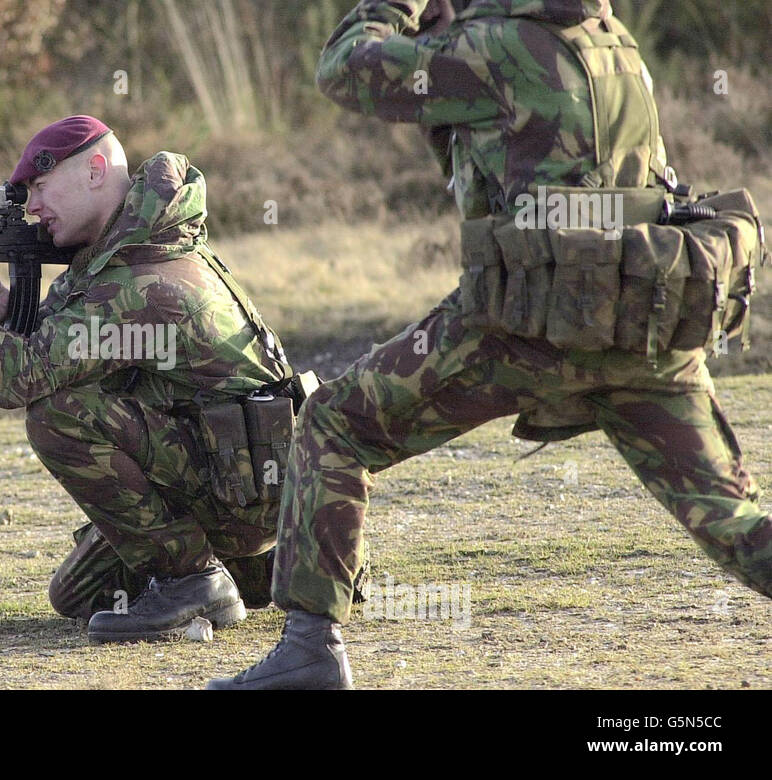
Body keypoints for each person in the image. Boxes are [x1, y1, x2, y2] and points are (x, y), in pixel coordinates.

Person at [210, 0, 772, 689]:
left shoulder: (496, 45)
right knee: (734, 521)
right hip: (638, 332)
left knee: (334, 426)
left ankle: (309, 651)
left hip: (521, 329)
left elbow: (344, 68)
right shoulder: (611, 38)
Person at [0, 115, 299, 642]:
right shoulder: (137, 252)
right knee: (80, 595)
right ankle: (261, 571)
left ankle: (194, 579)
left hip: (240, 493)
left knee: (57, 414)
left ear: (95, 171)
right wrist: (0, 309)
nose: (33, 207)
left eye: (41, 187)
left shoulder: (141, 282)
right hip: (245, 485)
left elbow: (18, 382)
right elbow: (67, 349)